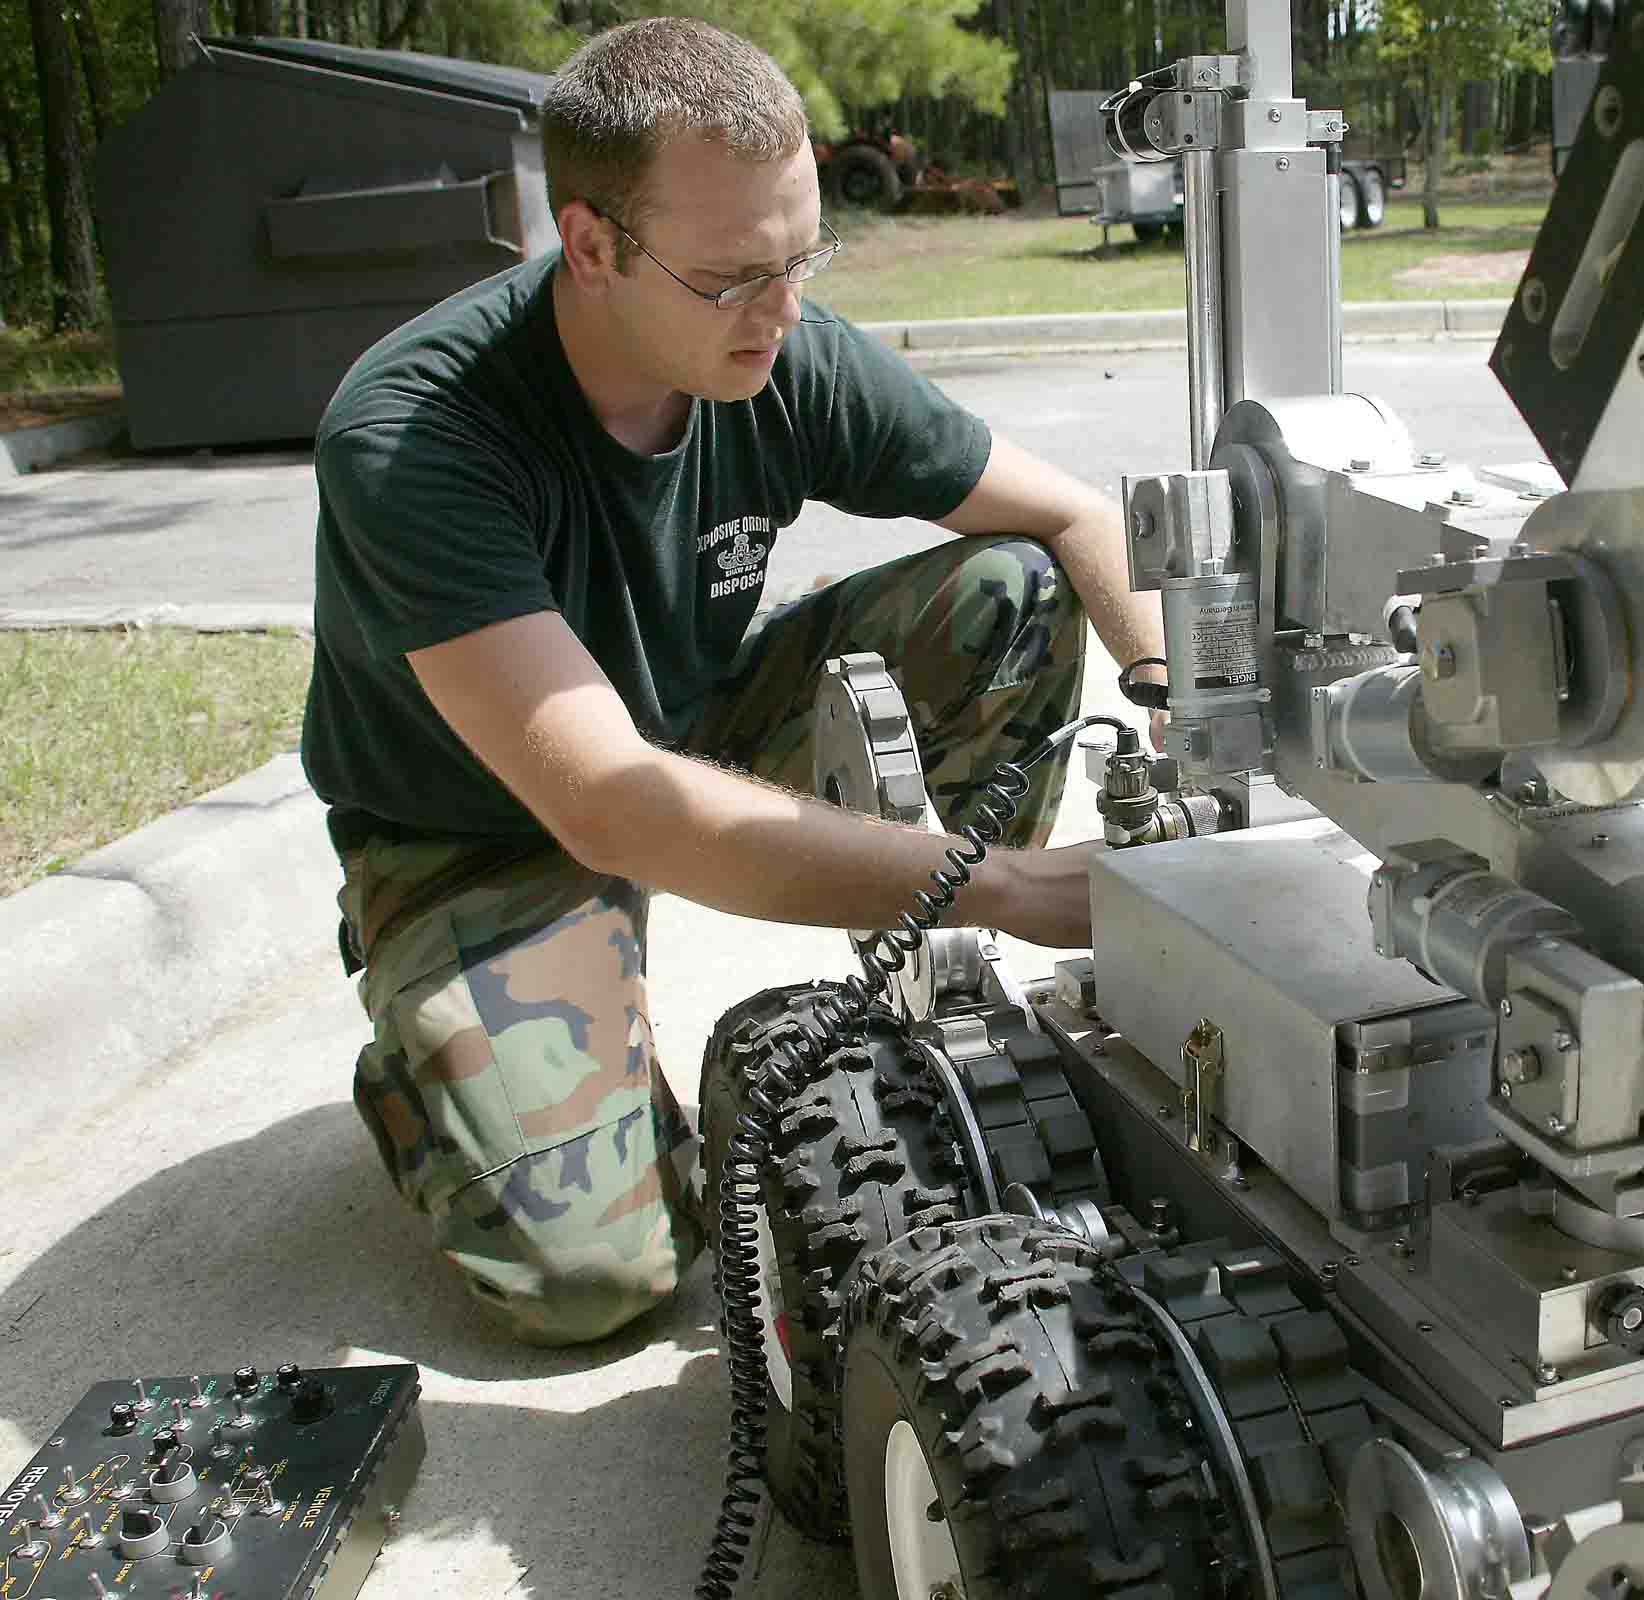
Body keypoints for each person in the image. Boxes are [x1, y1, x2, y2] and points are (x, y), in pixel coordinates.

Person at [300, 16, 1164, 1346]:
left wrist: (1181, 710)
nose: (784, 312)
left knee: (1011, 589)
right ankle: (435, 1060)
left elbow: (1075, 517)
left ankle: (932, 999)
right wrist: (1006, 884)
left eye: (800, 257)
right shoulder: (417, 435)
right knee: (596, 1281)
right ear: (590, 245)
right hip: (481, 832)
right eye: (731, 278)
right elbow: (610, 804)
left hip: (687, 731)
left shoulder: (771, 345)